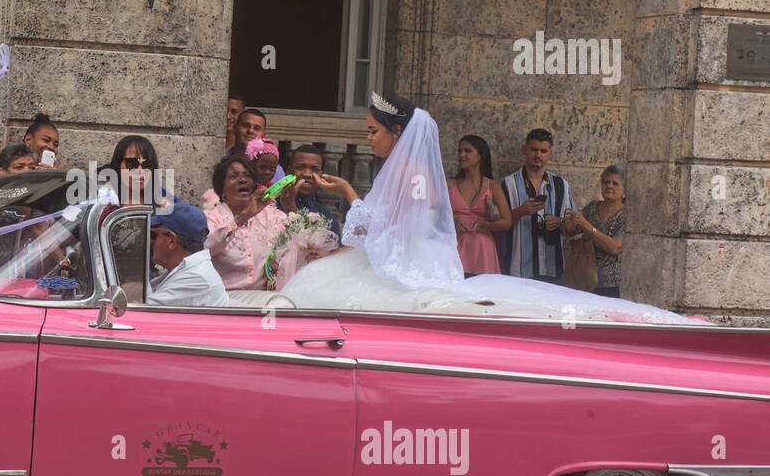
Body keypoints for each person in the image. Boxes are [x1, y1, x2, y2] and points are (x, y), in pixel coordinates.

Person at [280, 93, 689, 324]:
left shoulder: (414, 174)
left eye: (373, 131)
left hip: (411, 272)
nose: (368, 139)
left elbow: (396, 233)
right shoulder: (401, 169)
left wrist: (350, 191)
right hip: (399, 264)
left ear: (397, 132)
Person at [498, 128, 576, 283]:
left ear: (550, 153)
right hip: (518, 269)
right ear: (524, 150)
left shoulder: (561, 185)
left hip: (552, 267)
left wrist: (559, 223)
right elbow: (498, 225)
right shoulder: (508, 184)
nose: (538, 155)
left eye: (543, 151)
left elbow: (571, 229)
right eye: (533, 149)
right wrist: (521, 211)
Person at [205, 155, 287, 290]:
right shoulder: (211, 218)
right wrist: (243, 216)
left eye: (247, 176)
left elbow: (295, 235)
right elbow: (204, 248)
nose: (243, 180)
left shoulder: (269, 215)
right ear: (221, 189)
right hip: (225, 297)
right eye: (233, 176)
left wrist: (290, 205)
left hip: (264, 297)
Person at [448, 135, 511, 276]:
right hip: (456, 246)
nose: (461, 155)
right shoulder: (450, 184)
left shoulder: (492, 186)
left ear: (481, 156)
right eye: (459, 151)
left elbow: (507, 221)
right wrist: (451, 219)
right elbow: (432, 213)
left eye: (468, 151)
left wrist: (485, 225)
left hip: (483, 249)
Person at [148, 202, 229, 306]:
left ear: (171, 240)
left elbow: (138, 312)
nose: (150, 241)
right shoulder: (189, 269)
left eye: (153, 235)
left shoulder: (196, 278)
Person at [565, 165, 627, 297]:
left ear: (624, 190)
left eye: (615, 183)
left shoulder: (626, 215)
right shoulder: (592, 207)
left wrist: (587, 227)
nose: (609, 186)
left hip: (611, 285)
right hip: (585, 279)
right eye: (606, 182)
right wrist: (564, 221)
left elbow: (615, 247)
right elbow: (570, 231)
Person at [274, 144, 344, 233]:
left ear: (320, 175)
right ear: (288, 171)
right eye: (300, 167)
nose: (307, 174)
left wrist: (291, 208)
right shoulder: (269, 208)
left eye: (314, 169)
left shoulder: (328, 219)